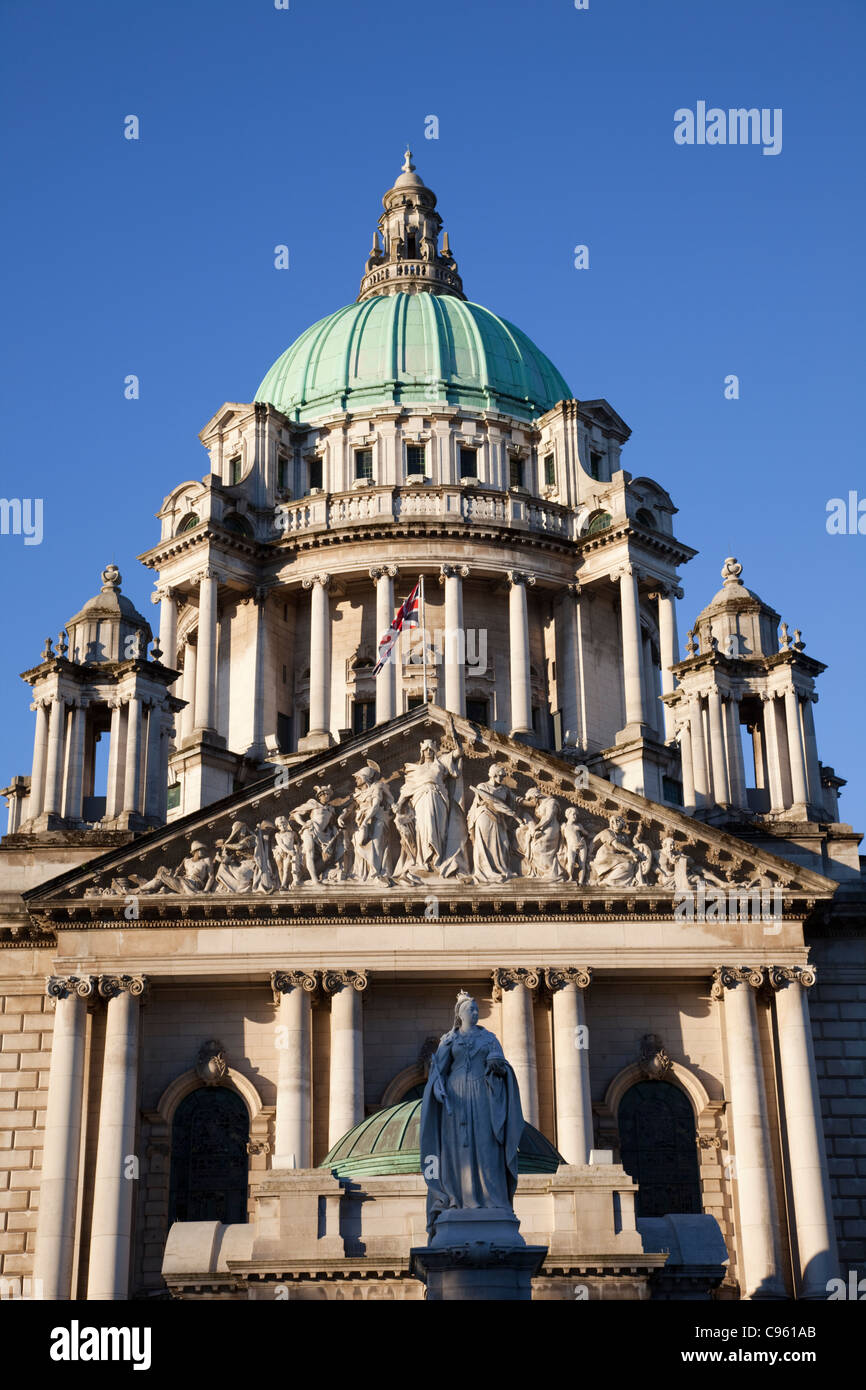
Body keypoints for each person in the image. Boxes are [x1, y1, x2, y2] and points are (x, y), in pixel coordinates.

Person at [419, 991, 524, 1237]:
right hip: (455, 1099)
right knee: (459, 1150)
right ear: (459, 1013)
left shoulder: (489, 1038)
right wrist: (437, 1090)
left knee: (487, 1145)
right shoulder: (449, 1039)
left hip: (483, 1096)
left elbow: (501, 1064)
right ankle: (459, 1199)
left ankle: (492, 1199)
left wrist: (499, 1068)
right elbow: (438, 1072)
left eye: (476, 1009)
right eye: (470, 1010)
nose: (475, 1013)